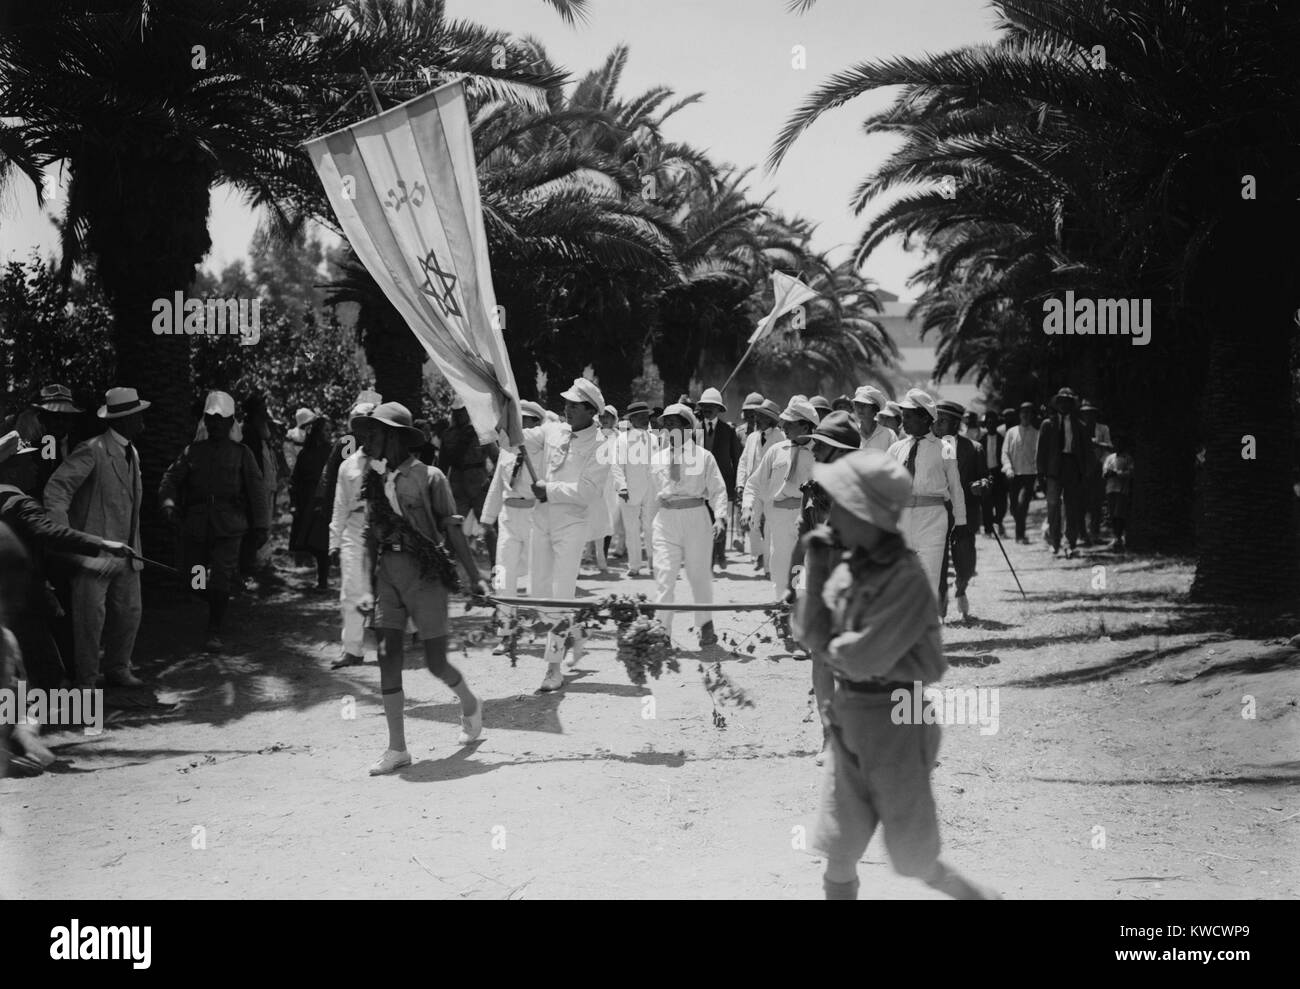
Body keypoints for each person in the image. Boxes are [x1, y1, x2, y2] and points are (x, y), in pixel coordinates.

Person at [792, 449, 998, 901]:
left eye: (838, 504)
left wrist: (825, 638)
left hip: (897, 722)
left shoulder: (906, 577)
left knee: (912, 859)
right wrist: (814, 576)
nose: (825, 512)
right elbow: (811, 634)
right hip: (852, 716)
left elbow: (863, 654)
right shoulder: (847, 564)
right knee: (839, 847)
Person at [358, 402, 490, 776]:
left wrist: (475, 576)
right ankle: (397, 748)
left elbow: (451, 529)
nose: (369, 441)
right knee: (388, 655)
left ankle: (469, 702)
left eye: (376, 433)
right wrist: (368, 586)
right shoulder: (374, 479)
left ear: (395, 436)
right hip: (388, 574)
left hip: (425, 573)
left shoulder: (431, 477)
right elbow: (371, 535)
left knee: (435, 662)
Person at [0, 433, 132, 693]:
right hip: (24, 603)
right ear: (12, 473)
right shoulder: (21, 504)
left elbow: (40, 551)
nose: (36, 467)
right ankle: (20, 727)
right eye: (27, 463)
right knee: (45, 672)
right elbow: (49, 533)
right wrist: (101, 544)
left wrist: (86, 565)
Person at [43, 387, 149, 689]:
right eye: (138, 415)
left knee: (130, 612)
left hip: (127, 550)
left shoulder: (132, 451)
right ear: (125, 419)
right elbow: (56, 490)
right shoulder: (92, 449)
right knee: (90, 618)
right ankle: (87, 679)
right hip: (94, 550)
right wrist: (66, 536)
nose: (143, 420)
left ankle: (118, 667)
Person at [159, 391, 270, 650]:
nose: (215, 424)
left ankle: (214, 628)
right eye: (210, 419)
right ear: (204, 421)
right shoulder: (192, 452)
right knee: (195, 578)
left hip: (229, 527)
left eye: (221, 419)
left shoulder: (242, 454)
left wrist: (261, 526)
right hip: (197, 526)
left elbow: (257, 491)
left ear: (231, 421)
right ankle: (214, 599)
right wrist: (168, 504)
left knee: (220, 575)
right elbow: (170, 480)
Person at [524, 378, 612, 691]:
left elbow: (587, 491)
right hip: (541, 521)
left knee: (560, 595)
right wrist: (502, 417)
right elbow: (516, 440)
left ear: (591, 410)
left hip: (572, 524)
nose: (567, 408)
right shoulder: (552, 429)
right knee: (539, 594)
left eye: (575, 405)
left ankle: (553, 667)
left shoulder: (602, 446)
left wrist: (550, 489)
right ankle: (575, 633)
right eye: (567, 403)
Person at [787, 411, 861, 763]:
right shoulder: (813, 489)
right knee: (821, 659)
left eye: (821, 445)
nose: (813, 449)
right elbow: (803, 540)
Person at [648, 404, 727, 647]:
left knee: (699, 576)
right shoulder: (657, 458)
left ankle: (705, 625)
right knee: (665, 576)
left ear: (687, 427)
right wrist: (649, 526)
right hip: (666, 520)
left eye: (673, 423)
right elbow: (652, 495)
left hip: (696, 518)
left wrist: (721, 517)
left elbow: (717, 489)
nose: (667, 429)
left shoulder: (704, 457)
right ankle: (662, 631)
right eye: (665, 424)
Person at [887, 389, 966, 606]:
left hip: (933, 518)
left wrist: (960, 522)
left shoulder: (946, 448)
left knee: (930, 576)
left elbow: (956, 487)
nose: (904, 422)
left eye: (909, 417)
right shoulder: (896, 449)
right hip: (902, 520)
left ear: (925, 418)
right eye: (903, 417)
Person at [742, 396, 819, 612]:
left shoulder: (820, 452)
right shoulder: (776, 451)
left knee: (804, 567)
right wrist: (747, 506)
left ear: (805, 425)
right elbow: (754, 483)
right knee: (779, 565)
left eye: (791, 423)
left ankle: (801, 612)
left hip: (808, 519)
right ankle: (781, 611)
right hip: (778, 518)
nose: (784, 426)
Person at [481, 400, 545, 651]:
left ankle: (543, 625)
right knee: (503, 577)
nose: (522, 428)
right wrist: (487, 521)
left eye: (528, 423)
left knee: (538, 576)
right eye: (520, 423)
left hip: (534, 516)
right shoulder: (507, 451)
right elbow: (497, 485)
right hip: (508, 517)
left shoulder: (544, 453)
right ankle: (506, 631)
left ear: (537, 426)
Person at [326, 399, 380, 670]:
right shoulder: (348, 466)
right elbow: (340, 507)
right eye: (359, 427)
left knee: (391, 586)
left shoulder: (387, 461)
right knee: (351, 591)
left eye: (370, 426)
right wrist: (334, 542)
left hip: (384, 528)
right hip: (355, 529)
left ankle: (396, 641)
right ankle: (353, 649)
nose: (365, 433)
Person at [934, 400, 985, 621]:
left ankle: (961, 589)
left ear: (955, 424)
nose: (937, 424)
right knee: (938, 563)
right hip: (935, 516)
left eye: (943, 420)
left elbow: (985, 477)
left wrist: (981, 485)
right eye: (936, 419)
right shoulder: (928, 447)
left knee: (966, 564)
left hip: (965, 515)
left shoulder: (973, 448)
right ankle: (941, 599)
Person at [438, 396, 497, 562]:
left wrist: (491, 482)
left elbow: (497, 458)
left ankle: (496, 571)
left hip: (480, 486)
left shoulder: (482, 431)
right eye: (457, 412)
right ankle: (450, 570)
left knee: (489, 528)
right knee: (453, 528)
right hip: (457, 488)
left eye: (462, 411)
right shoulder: (448, 435)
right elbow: (442, 466)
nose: (460, 415)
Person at [1036, 387, 1091, 559]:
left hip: (1072, 467)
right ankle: (1054, 542)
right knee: (1053, 506)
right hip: (1053, 469)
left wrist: (1084, 472)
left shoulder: (1080, 425)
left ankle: (1070, 543)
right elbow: (1041, 451)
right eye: (1061, 401)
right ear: (1057, 404)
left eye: (1067, 401)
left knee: (1071, 507)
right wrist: (1040, 474)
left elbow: (1086, 450)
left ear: (1071, 404)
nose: (1064, 405)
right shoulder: (1047, 424)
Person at [5, 383, 83, 498]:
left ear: (72, 420)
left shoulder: (81, 447)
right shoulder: (29, 451)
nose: (60, 422)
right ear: (43, 418)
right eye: (55, 416)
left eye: (65, 417)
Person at [696, 388, 742, 574]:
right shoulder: (694, 430)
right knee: (705, 521)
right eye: (704, 406)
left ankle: (720, 553)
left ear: (718, 409)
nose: (707, 409)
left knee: (720, 517)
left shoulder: (728, 431)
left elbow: (736, 458)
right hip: (700, 484)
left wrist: (738, 484)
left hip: (723, 482)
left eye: (711, 406)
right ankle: (708, 560)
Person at [610, 401, 657, 577]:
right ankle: (635, 565)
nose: (645, 420)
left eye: (646, 417)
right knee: (631, 528)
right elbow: (616, 465)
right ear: (632, 419)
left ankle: (653, 563)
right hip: (629, 489)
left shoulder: (653, 438)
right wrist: (621, 486)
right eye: (640, 417)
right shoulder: (622, 439)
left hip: (650, 489)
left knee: (651, 527)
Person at [735, 398, 782, 572]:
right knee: (753, 524)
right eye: (757, 415)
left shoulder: (780, 438)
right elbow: (743, 461)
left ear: (770, 419)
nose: (757, 419)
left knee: (769, 526)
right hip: (753, 487)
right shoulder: (752, 437)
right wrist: (740, 484)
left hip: (772, 489)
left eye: (761, 416)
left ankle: (769, 567)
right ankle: (759, 555)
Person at [288, 410, 333, 591]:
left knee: (321, 541)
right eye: (326, 430)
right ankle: (199, 584)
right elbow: (295, 480)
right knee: (308, 539)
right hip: (306, 499)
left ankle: (323, 581)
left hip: (323, 500)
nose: (329, 434)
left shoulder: (332, 452)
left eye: (330, 430)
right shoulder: (305, 454)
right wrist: (294, 503)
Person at [1001, 401, 1040, 544]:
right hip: (1013, 475)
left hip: (1029, 475)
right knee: (1013, 508)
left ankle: (1020, 535)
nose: (1026, 415)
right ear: (1019, 415)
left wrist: (1038, 474)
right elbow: (1005, 452)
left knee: (1023, 505)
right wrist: (1008, 467)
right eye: (1023, 412)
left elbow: (1038, 455)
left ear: (1032, 415)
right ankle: (1020, 532)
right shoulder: (1011, 432)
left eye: (1029, 412)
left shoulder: (1037, 433)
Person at [1080, 400, 1112, 545]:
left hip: (1098, 467)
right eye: (1086, 414)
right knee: (1082, 502)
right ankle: (1082, 533)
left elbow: (1110, 446)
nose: (1088, 416)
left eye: (1091, 413)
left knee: (1096, 502)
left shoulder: (1103, 428)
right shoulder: (1079, 428)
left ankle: (1095, 533)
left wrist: (1097, 443)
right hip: (1082, 469)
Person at [977, 410, 1007, 537]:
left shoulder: (1002, 439)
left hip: (999, 474)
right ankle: (988, 529)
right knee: (986, 503)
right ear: (985, 424)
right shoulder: (981, 441)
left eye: (993, 422)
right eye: (988, 423)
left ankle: (998, 521)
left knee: (1002, 502)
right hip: (985, 474)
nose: (990, 425)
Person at [1102, 437, 1134, 552]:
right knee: (1112, 514)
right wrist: (1109, 473)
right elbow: (1105, 472)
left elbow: (1130, 472)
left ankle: (1119, 536)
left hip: (1122, 489)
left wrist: (1118, 473)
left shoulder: (1127, 458)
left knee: (1118, 514)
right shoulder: (1110, 458)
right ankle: (1116, 537)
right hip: (1110, 489)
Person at [851, 385, 896, 452]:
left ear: (874, 409)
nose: (860, 408)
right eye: (857, 404)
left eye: (864, 404)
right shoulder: (852, 434)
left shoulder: (889, 435)